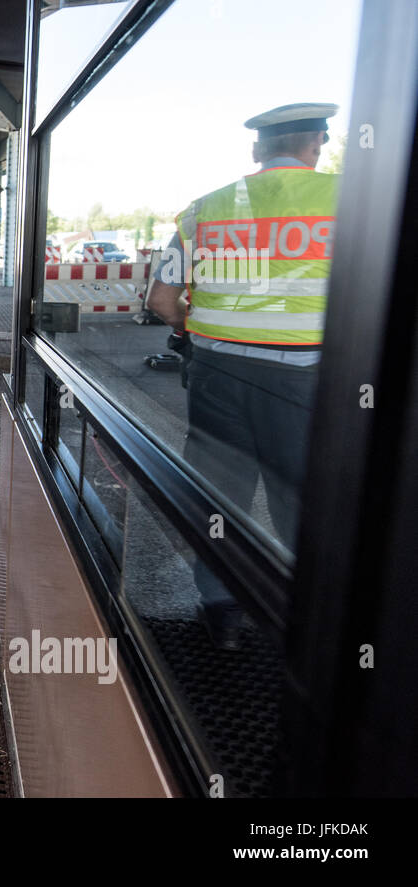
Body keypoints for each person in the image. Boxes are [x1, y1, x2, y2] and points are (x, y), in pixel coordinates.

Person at [145, 103, 339, 650]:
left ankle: (222, 613)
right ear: (316, 144)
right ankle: (308, 620)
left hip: (216, 372)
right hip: (306, 378)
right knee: (300, 497)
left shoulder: (203, 210)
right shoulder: (352, 202)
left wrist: (199, 330)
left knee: (219, 492)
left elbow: (161, 299)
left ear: (257, 150)